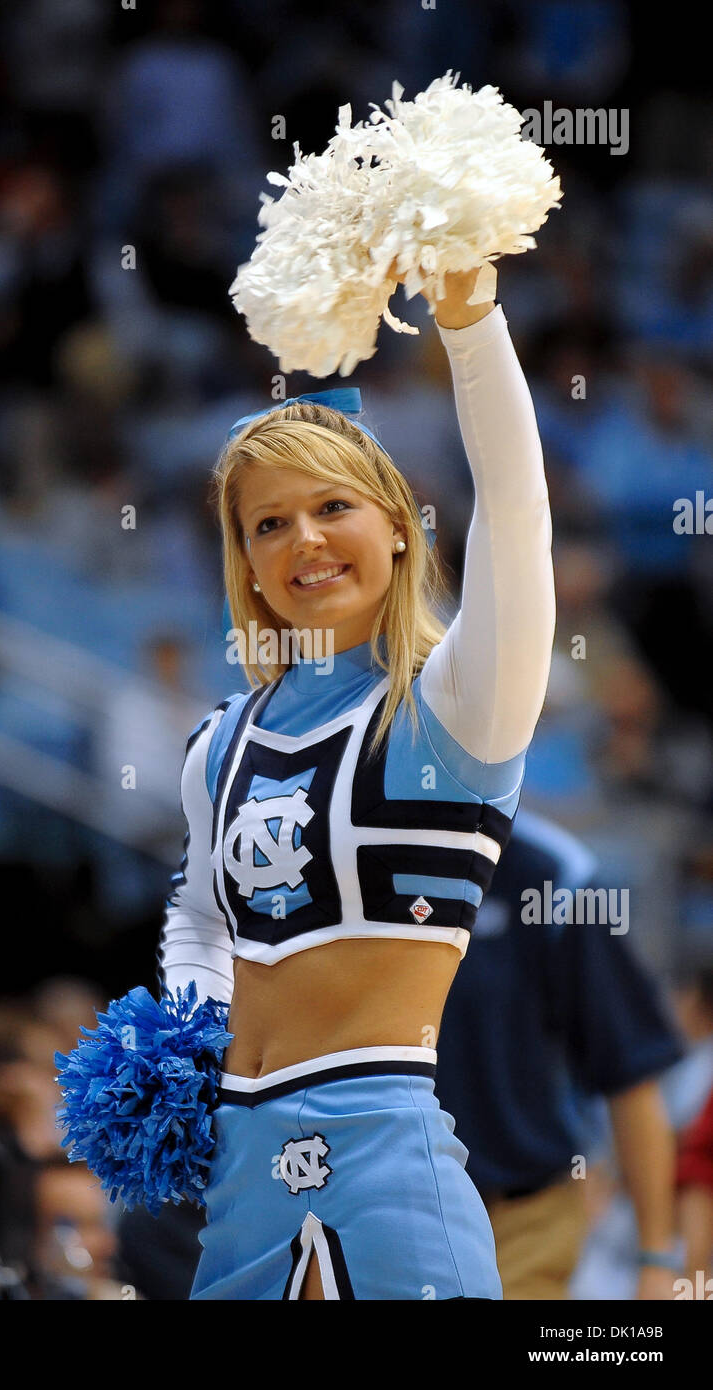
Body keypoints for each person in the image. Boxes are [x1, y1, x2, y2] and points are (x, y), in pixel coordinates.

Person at [158, 267, 556, 1299]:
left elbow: (516, 511)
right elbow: (203, 920)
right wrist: (176, 1043)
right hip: (238, 1171)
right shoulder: (218, 743)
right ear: (243, 560)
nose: (302, 541)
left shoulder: (454, 703)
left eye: (331, 505)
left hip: (382, 1153)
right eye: (267, 523)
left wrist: (468, 322)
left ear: (396, 523)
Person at [434, 805, 685, 1300]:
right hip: (378, 1215)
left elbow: (630, 1075)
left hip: (521, 1224)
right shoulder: (347, 861)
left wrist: (656, 1259)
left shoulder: (556, 877)